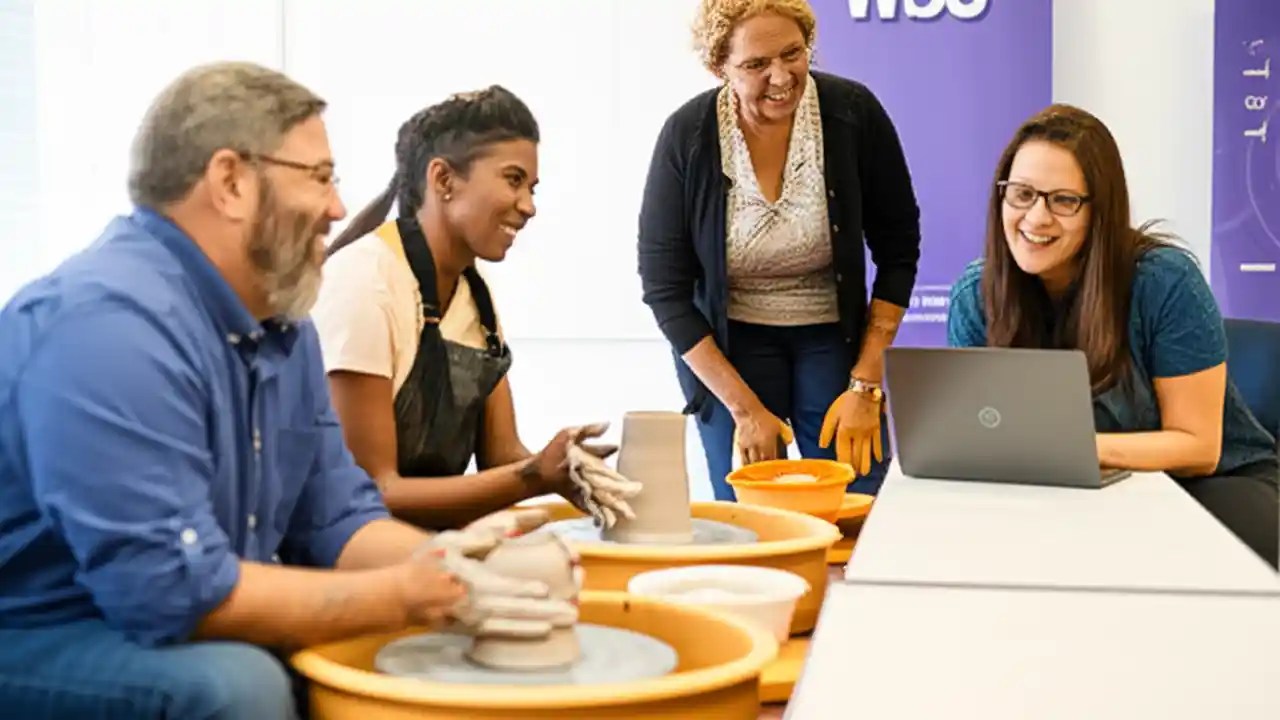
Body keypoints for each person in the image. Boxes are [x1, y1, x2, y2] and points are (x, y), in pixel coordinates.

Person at [0, 62, 576, 720]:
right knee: (240, 685)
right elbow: (168, 594)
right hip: (42, 628)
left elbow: (336, 519)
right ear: (231, 182)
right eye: (321, 177)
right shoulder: (106, 328)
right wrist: (412, 594)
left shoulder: (280, 322)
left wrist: (462, 563)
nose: (338, 208)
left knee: (426, 634)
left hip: (170, 603)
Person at [948, 103, 1279, 568]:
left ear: (1098, 211)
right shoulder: (975, 295)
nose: (1036, 218)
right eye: (1021, 194)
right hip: (1077, 488)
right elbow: (987, 438)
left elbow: (1199, 447)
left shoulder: (1165, 280)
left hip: (1215, 481)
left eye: (1063, 200)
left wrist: (1061, 449)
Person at [312, 86, 640, 531]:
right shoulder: (364, 281)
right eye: (513, 179)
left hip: (428, 544)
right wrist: (534, 475)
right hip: (345, 550)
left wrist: (572, 474)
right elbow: (373, 489)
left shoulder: (474, 294)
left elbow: (501, 455)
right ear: (443, 179)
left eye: (532, 187)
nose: (528, 206)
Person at [637, 0, 922, 500]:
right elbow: (666, 290)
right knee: (747, 512)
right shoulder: (687, 135)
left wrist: (866, 384)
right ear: (718, 66)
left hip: (832, 337)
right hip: (728, 348)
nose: (781, 77)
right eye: (756, 64)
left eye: (793, 53)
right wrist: (743, 411)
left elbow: (898, 248)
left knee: (854, 498)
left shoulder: (852, 113)